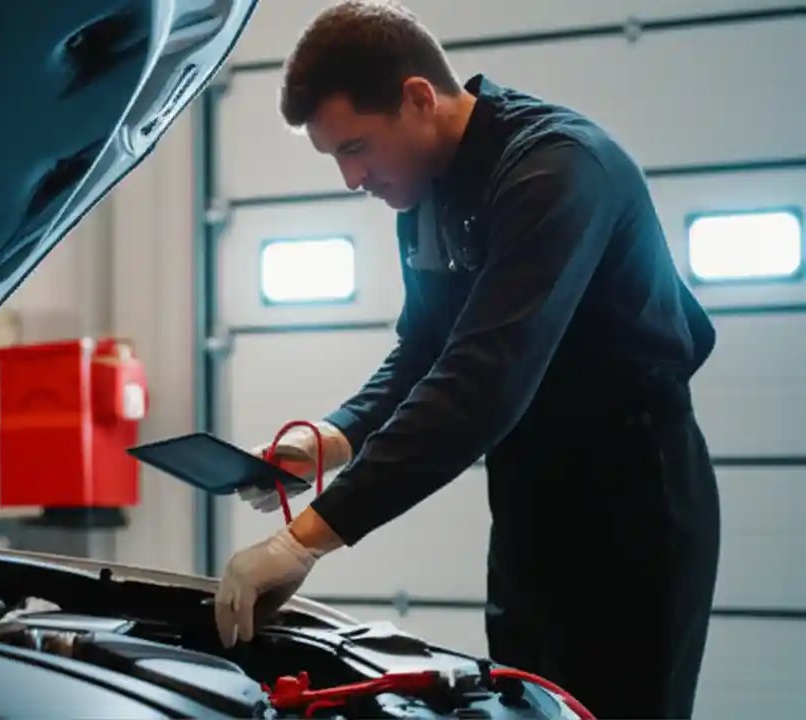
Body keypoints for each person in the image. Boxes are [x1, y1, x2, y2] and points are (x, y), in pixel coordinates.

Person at [213, 2, 721, 718]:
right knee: (519, 707)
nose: (351, 179)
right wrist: (335, 434)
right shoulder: (423, 191)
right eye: (334, 157)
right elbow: (426, 345)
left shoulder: (557, 170)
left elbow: (482, 381)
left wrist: (305, 539)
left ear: (419, 98)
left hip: (633, 498)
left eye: (356, 147)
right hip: (527, 499)